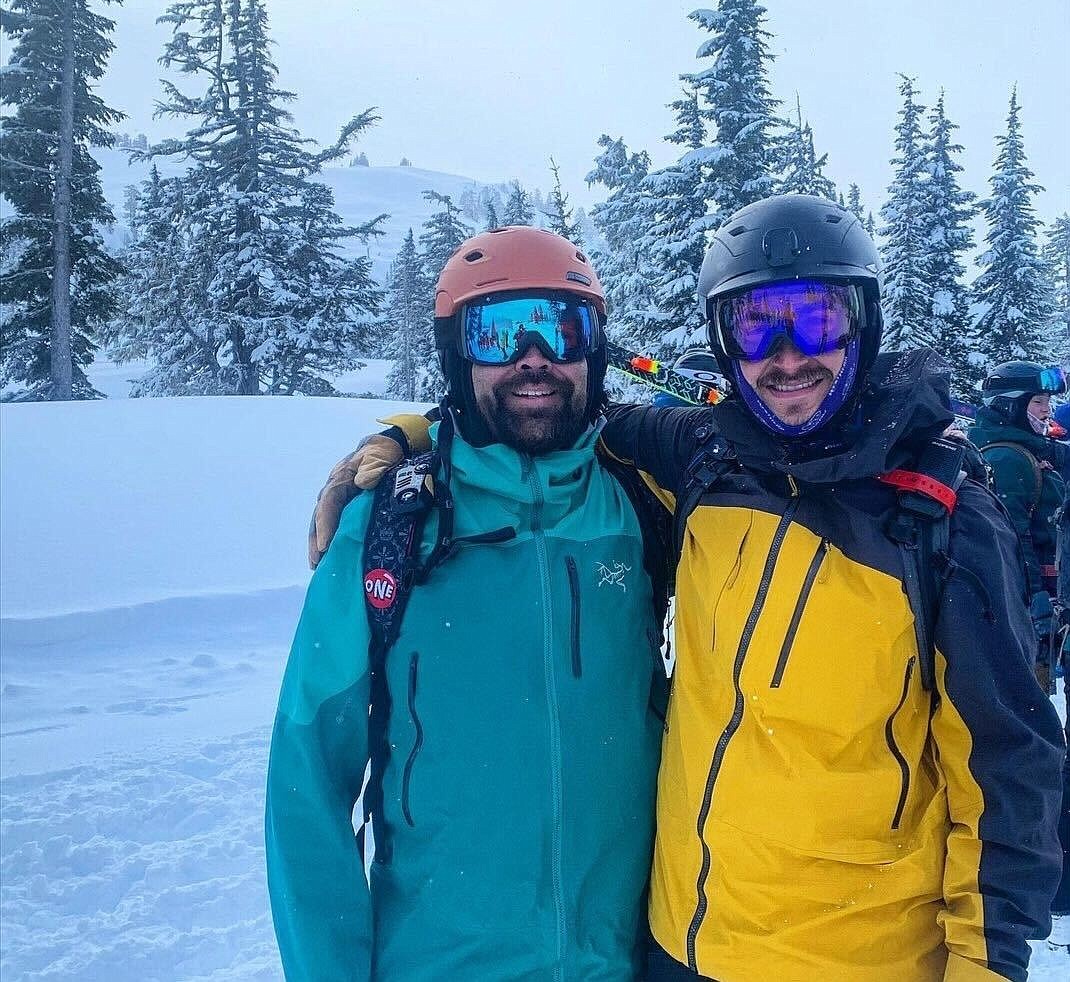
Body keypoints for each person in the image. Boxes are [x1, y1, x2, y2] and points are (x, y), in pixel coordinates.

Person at [313, 196, 1064, 981]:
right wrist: (415, 433)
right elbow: (552, 408)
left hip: (853, 958)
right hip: (679, 944)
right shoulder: (709, 462)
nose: (785, 357)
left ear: (861, 323)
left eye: (814, 321)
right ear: (723, 341)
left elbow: (1011, 772)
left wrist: (986, 965)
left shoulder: (936, 514)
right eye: (754, 326)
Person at [265, 226, 669, 980]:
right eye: (497, 332)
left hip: (622, 961)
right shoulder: (389, 526)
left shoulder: (644, 508)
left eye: (561, 326)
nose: (533, 358)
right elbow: (307, 781)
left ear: (594, 348)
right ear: (459, 355)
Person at [966, 363, 1070, 952]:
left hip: (1038, 613)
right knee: (1023, 735)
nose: (1047, 413)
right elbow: (1005, 536)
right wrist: (1032, 599)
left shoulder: (1032, 449)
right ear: (1011, 405)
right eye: (1037, 403)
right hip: (1022, 616)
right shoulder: (1007, 457)